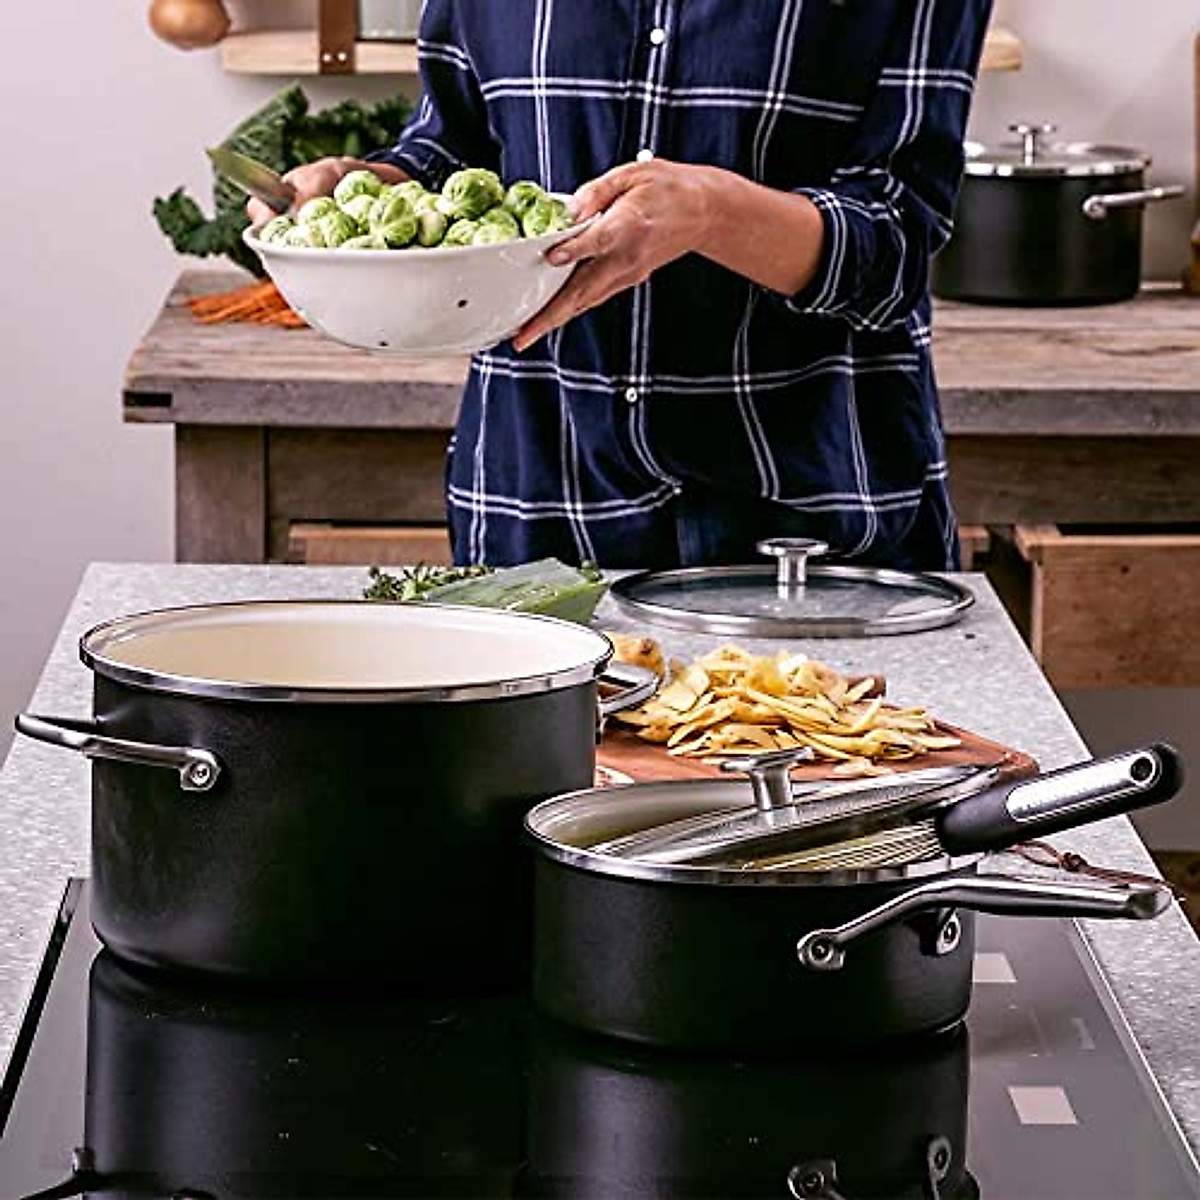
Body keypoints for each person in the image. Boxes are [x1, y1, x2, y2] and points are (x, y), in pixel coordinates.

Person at [250, 1, 993, 571]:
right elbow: (455, 148)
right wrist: (370, 189)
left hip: (809, 512)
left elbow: (897, 240)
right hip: (539, 498)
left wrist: (709, 212)